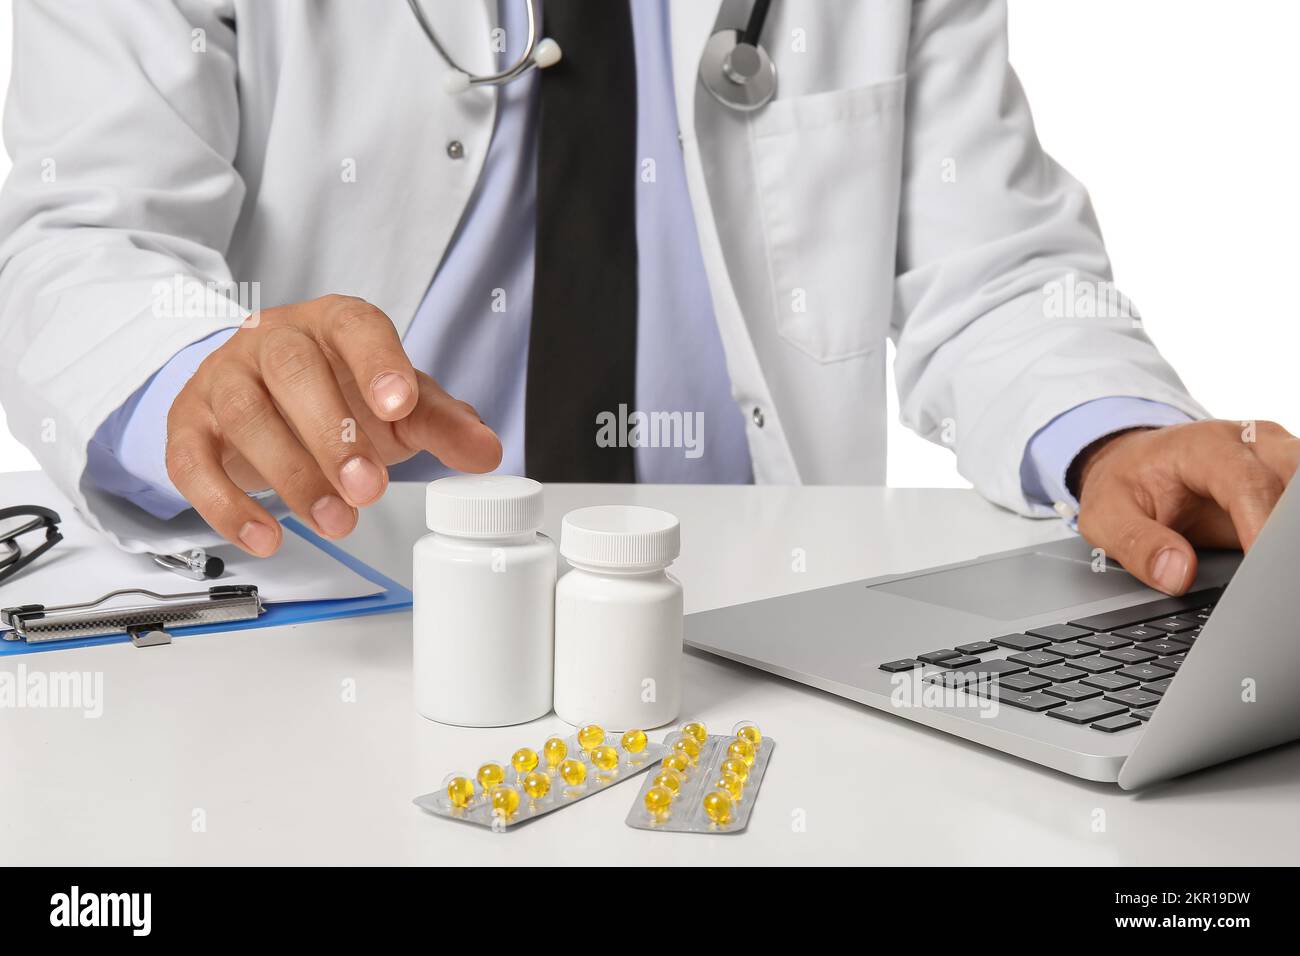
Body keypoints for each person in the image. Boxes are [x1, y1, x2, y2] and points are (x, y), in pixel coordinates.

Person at [0, 0, 1294, 597]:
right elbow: (75, 235)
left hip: (746, 619)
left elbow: (996, 268)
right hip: (335, 599)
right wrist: (192, 377)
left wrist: (1114, 438)